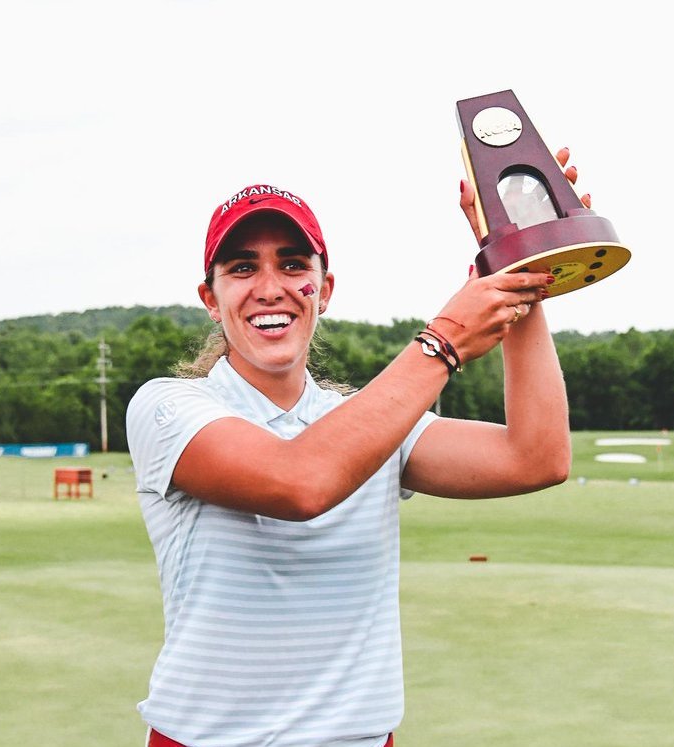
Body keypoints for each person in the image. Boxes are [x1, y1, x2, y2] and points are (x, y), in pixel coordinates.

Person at [127, 152, 583, 747]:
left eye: (294, 265)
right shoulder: (167, 408)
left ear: (325, 288)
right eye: (241, 269)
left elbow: (537, 457)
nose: (271, 289)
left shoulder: (370, 421)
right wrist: (442, 341)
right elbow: (300, 482)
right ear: (210, 299)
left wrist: (519, 268)